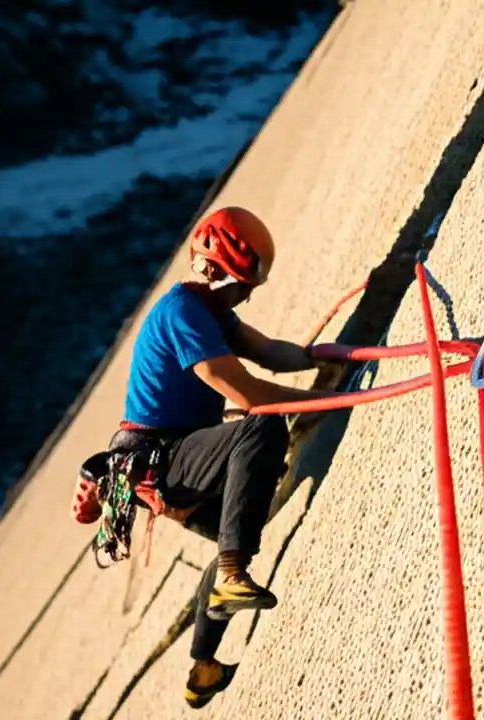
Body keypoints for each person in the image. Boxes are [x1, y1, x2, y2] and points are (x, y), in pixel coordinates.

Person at [72, 205, 344, 709]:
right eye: (243, 286)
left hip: (174, 463)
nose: (248, 295)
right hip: (165, 460)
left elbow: (268, 351)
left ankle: (204, 666)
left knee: (234, 535)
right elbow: (248, 394)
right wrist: (326, 400)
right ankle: (231, 574)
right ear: (216, 272)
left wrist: (315, 357)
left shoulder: (210, 311)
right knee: (261, 425)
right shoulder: (183, 315)